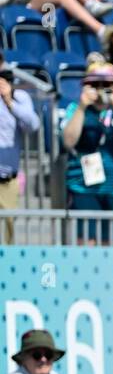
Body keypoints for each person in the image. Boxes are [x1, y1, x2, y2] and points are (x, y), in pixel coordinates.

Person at [61, 63, 113, 244]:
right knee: (86, 242)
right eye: (95, 84)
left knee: (112, 243)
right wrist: (82, 107)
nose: (100, 90)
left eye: (106, 85)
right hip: (83, 186)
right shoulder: (76, 108)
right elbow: (68, 140)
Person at [0, 63, 36, 243]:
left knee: (8, 240)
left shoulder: (18, 96)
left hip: (8, 180)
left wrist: (9, 101)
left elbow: (33, 124)